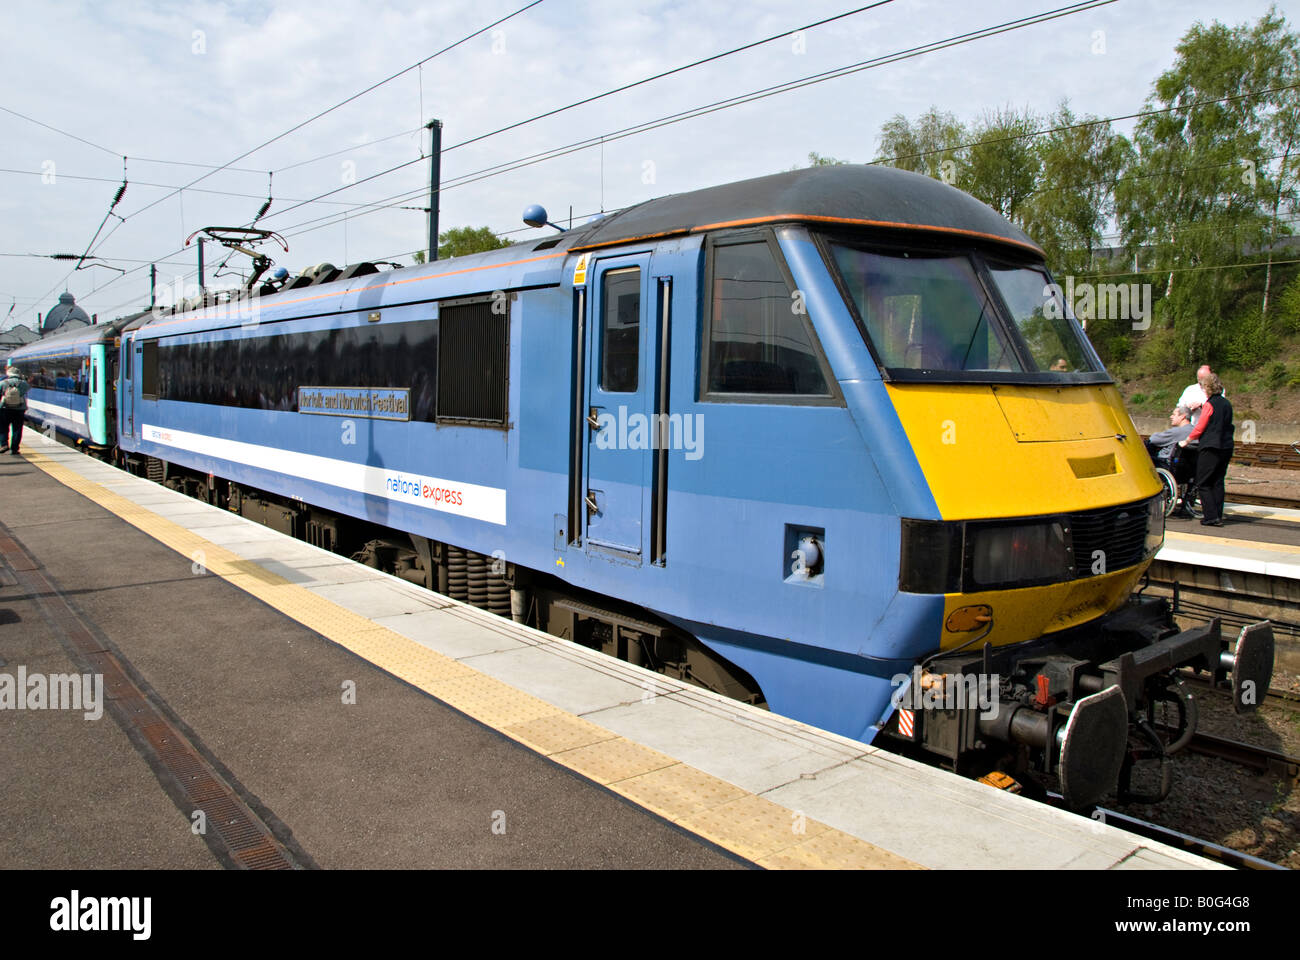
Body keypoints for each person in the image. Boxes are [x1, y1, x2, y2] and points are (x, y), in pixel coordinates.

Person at [1179, 373, 1232, 526]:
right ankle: (1218, 515)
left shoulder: (1209, 404)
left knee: (1203, 481)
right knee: (1218, 481)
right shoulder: (1226, 403)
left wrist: (1187, 440)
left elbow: (1200, 427)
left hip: (1210, 446)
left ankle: (1210, 517)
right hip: (1226, 446)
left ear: (1206, 388)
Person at [1, 364, 30, 455]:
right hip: (19, 408)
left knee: (3, 427)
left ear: (8, 373)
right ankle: (15, 448)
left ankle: (4, 444)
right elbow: (27, 390)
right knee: (17, 429)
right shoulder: (24, 384)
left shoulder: (3, 383)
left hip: (5, 408)